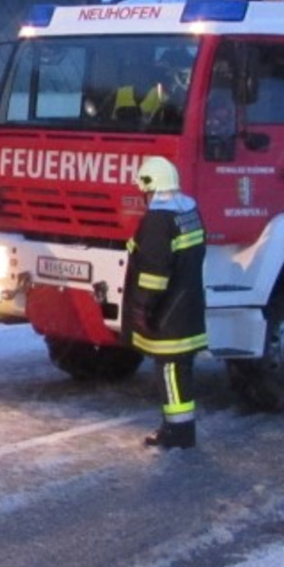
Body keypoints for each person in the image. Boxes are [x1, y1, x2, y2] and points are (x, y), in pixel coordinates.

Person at [122, 156, 208, 450]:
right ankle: (178, 427)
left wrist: (142, 306)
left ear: (151, 186)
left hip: (168, 314)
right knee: (181, 370)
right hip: (188, 305)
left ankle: (179, 433)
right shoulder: (188, 211)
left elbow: (154, 271)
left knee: (170, 371)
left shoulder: (158, 220)